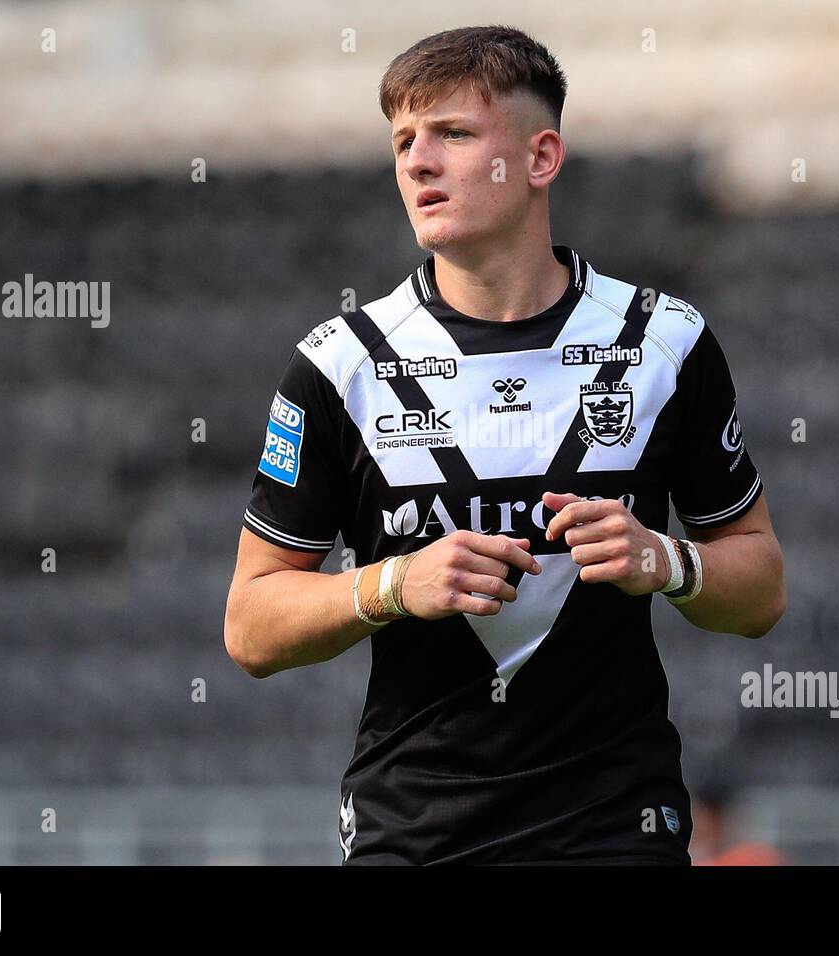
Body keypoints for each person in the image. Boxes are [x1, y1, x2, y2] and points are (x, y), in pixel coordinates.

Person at [223, 25, 785, 865]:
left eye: (451, 133)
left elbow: (762, 587)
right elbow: (250, 626)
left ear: (540, 157)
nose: (417, 162)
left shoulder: (664, 343)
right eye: (403, 140)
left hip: (615, 828)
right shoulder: (342, 365)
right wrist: (391, 583)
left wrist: (669, 562)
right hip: (413, 834)